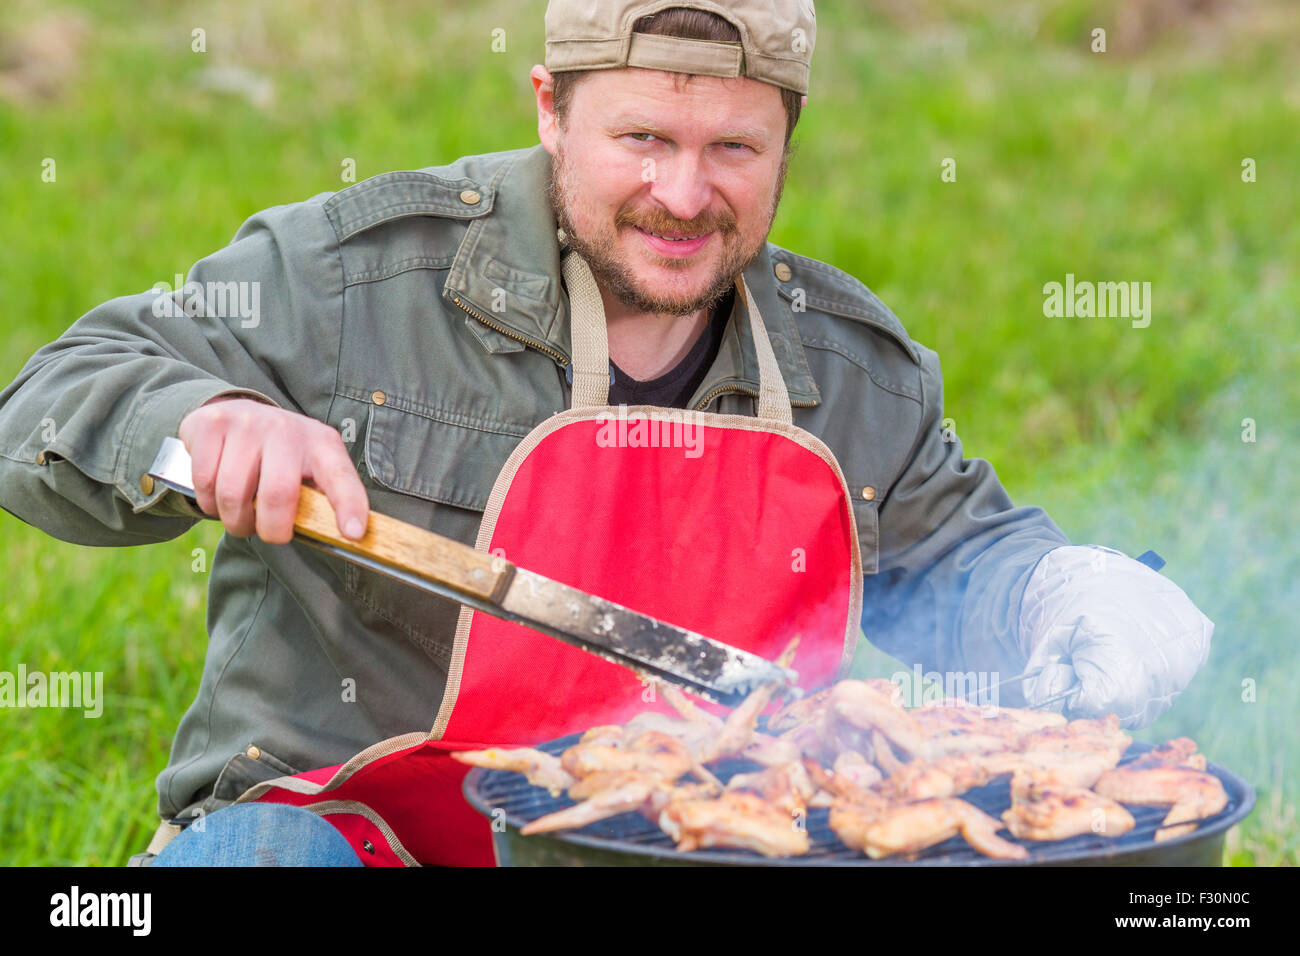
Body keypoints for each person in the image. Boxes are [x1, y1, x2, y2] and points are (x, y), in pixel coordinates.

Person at [0, 1, 1211, 866]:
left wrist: (1067, 591)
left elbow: (960, 554)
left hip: (695, 838)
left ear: (787, 138)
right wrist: (199, 422)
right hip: (343, 830)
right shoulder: (351, 276)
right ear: (550, 109)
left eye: (731, 148)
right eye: (642, 139)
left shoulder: (847, 368)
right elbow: (50, 398)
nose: (683, 196)